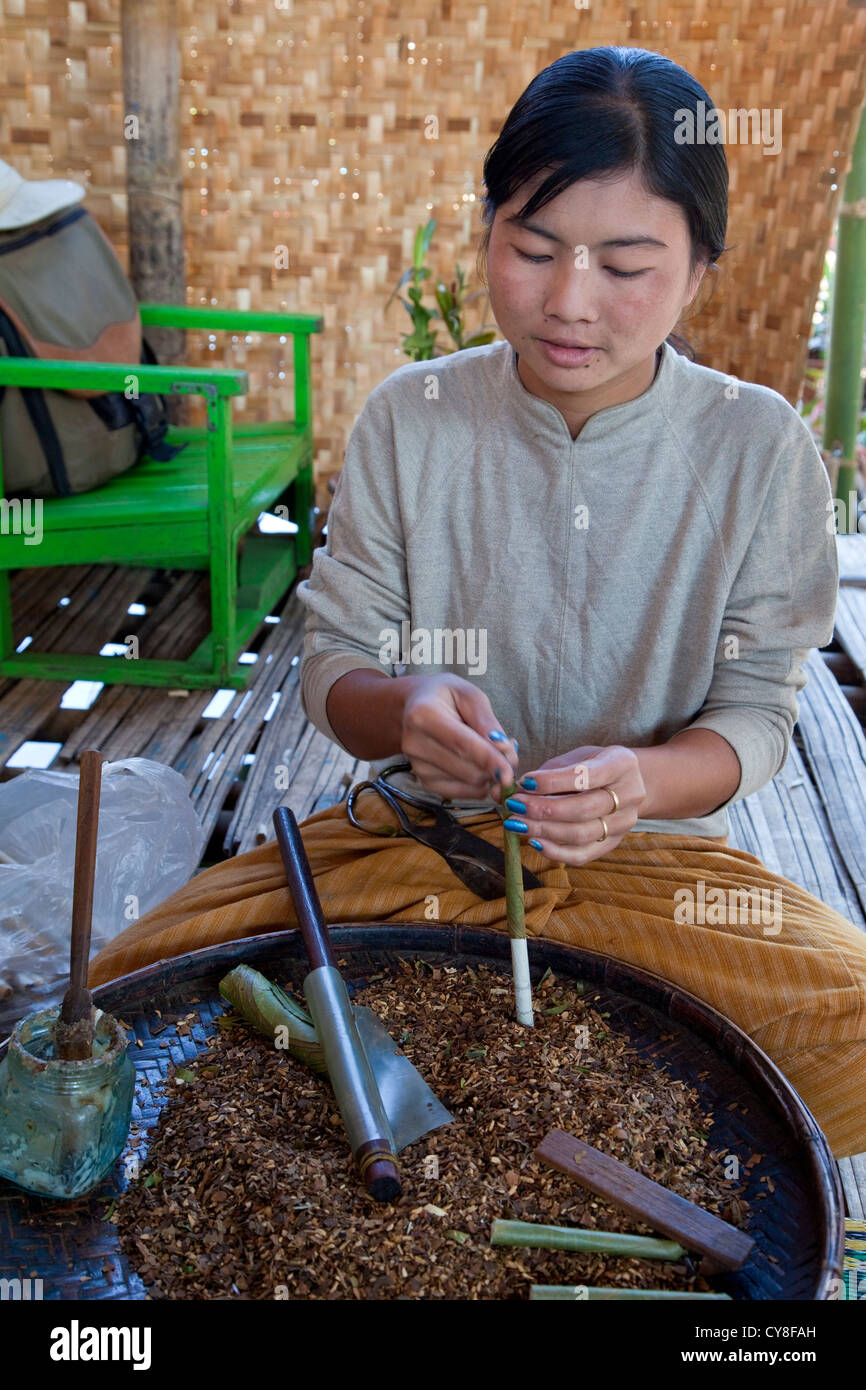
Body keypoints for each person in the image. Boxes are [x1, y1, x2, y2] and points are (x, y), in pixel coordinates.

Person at [89, 46, 866, 1159]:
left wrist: (637, 781)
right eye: (532, 248)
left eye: (625, 265)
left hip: (651, 869)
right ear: (485, 229)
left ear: (700, 269)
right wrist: (404, 707)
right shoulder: (417, 417)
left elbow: (754, 715)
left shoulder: (757, 449)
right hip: (421, 851)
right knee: (126, 990)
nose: (566, 302)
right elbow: (334, 667)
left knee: (846, 1031)